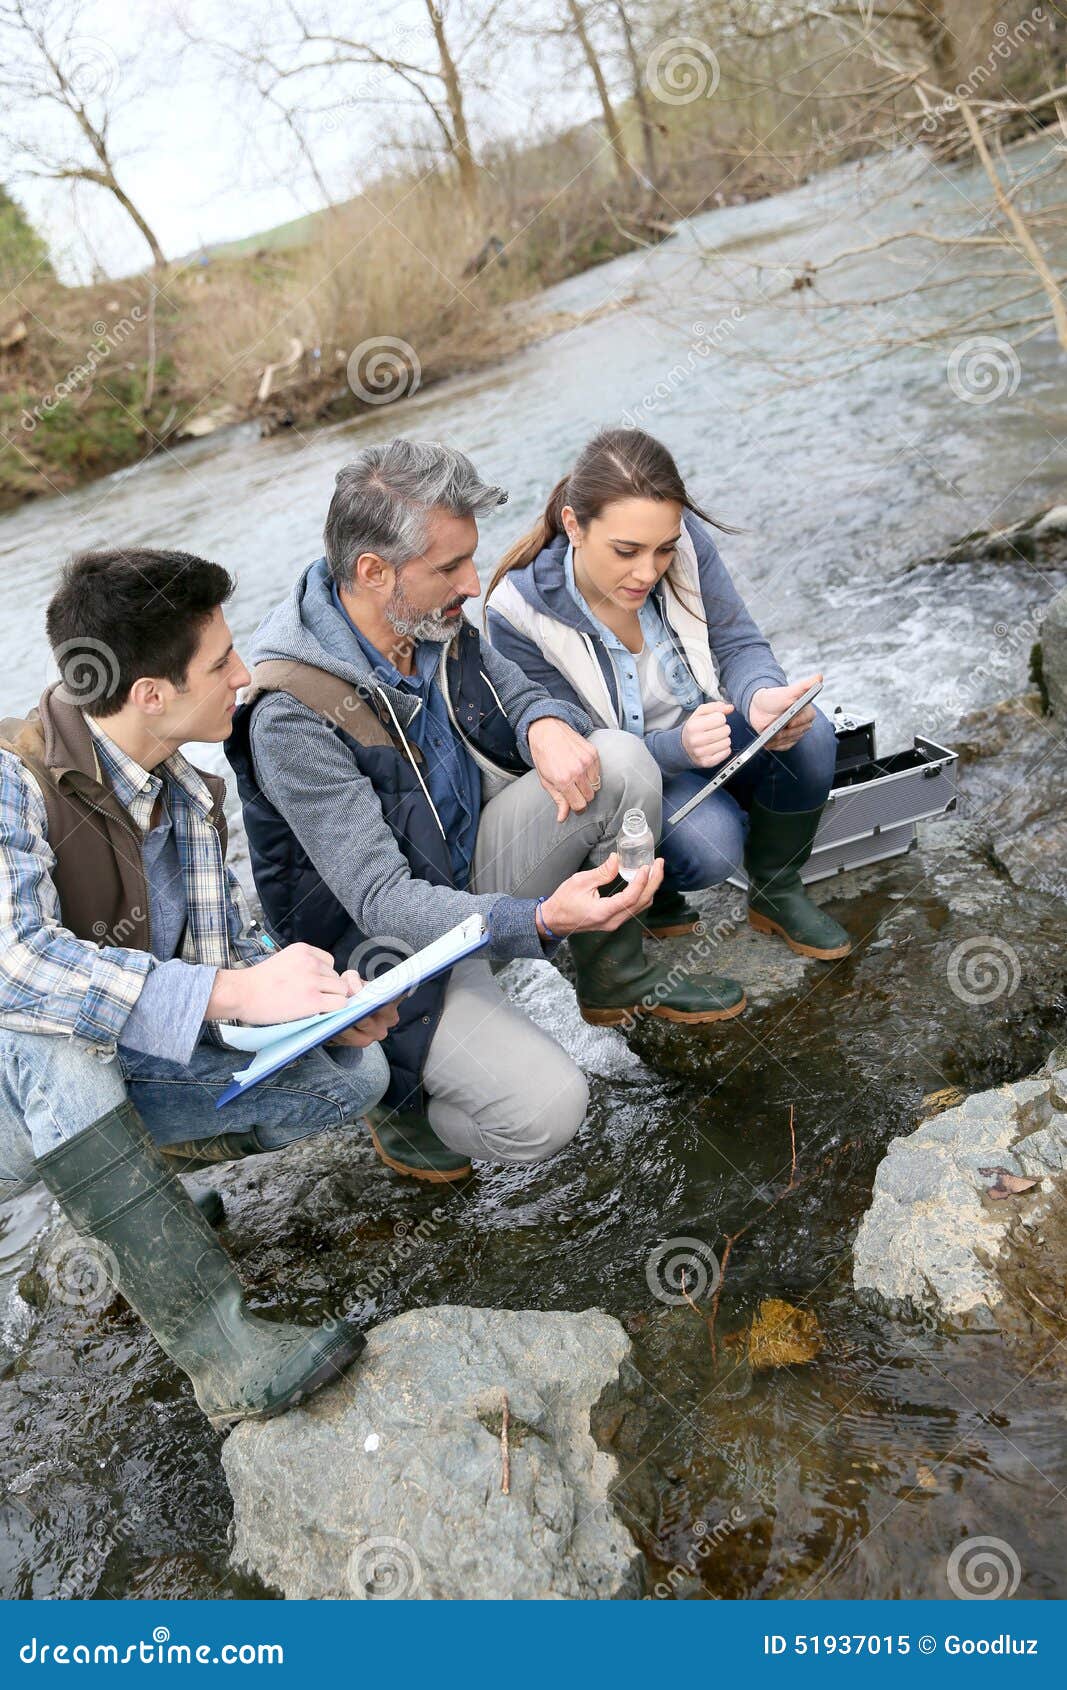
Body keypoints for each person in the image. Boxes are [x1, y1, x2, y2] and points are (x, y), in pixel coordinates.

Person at [228, 440, 741, 1186]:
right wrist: (537, 921)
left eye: (471, 559)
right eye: (449, 568)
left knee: (617, 757)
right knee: (548, 1114)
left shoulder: (428, 618)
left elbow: (516, 687)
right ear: (374, 572)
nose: (474, 583)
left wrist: (542, 723)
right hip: (382, 956)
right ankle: (400, 1104)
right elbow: (381, 900)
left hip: (463, 867)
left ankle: (614, 977)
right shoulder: (292, 716)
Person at [0, 548, 400, 1428]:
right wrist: (230, 995)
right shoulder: (9, 780)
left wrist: (307, 998)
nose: (244, 676)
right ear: (150, 693)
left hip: (107, 1080)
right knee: (45, 1029)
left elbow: (228, 947)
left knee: (350, 1077)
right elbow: (19, 963)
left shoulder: (190, 789)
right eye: (220, 663)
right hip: (17, 1096)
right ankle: (223, 1355)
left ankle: (127, 1203)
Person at [484, 428, 852, 990]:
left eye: (663, 550)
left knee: (812, 733)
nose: (648, 572)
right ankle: (653, 898)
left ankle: (777, 891)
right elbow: (580, 758)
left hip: (706, 737)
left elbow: (738, 643)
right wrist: (674, 749)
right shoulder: (515, 614)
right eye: (626, 552)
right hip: (626, 775)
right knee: (712, 847)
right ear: (574, 526)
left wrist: (760, 696)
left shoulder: (682, 541)